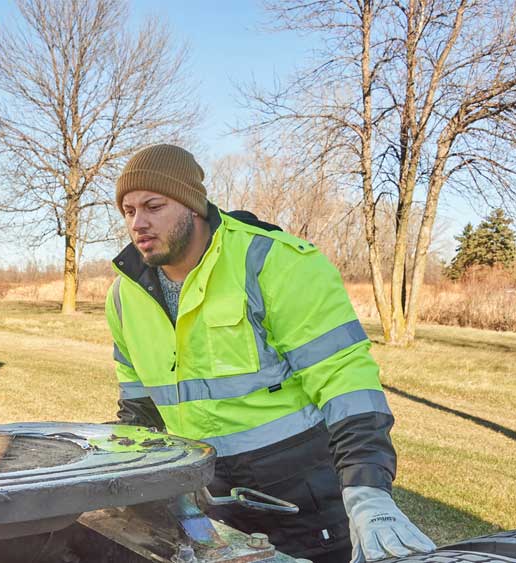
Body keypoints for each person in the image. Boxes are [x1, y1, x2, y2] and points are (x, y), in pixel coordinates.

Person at [106, 144, 436, 563]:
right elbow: (139, 413)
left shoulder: (274, 263)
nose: (139, 223)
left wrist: (367, 491)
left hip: (304, 500)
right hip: (205, 505)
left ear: (192, 206)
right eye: (128, 211)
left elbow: (346, 381)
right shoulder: (123, 295)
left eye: (153, 205)